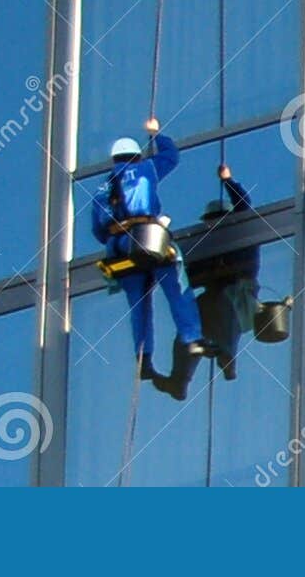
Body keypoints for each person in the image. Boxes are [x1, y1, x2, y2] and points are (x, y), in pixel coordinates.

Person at [90, 120, 208, 402]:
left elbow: (97, 227)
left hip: (118, 247)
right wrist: (156, 134)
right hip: (147, 236)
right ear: (136, 155)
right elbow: (171, 156)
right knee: (175, 281)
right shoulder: (146, 168)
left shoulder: (102, 186)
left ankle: (143, 357)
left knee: (139, 304)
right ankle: (191, 338)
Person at [192, 164, 262, 382]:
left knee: (225, 304)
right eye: (210, 222)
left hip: (240, 293)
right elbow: (192, 274)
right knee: (195, 311)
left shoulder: (240, 234)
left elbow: (244, 206)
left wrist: (228, 181)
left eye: (215, 220)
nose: (212, 226)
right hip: (215, 297)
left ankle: (228, 356)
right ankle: (181, 376)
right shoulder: (206, 247)